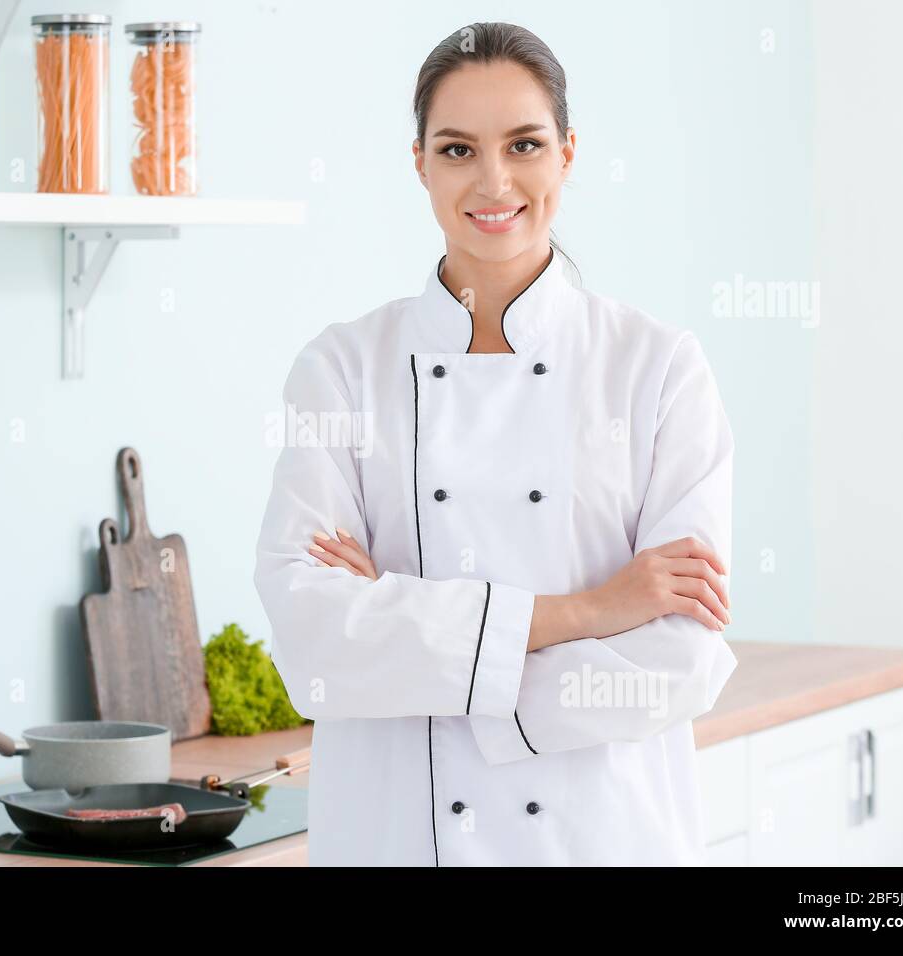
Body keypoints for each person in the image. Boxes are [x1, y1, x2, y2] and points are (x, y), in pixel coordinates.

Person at [253, 21, 736, 866]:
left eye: (523, 144)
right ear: (419, 164)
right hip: (399, 839)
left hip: (603, 837)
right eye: (456, 149)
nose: (493, 180)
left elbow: (680, 659)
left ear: (567, 154)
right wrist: (591, 612)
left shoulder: (658, 369)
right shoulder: (340, 370)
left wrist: (412, 642)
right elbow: (315, 642)